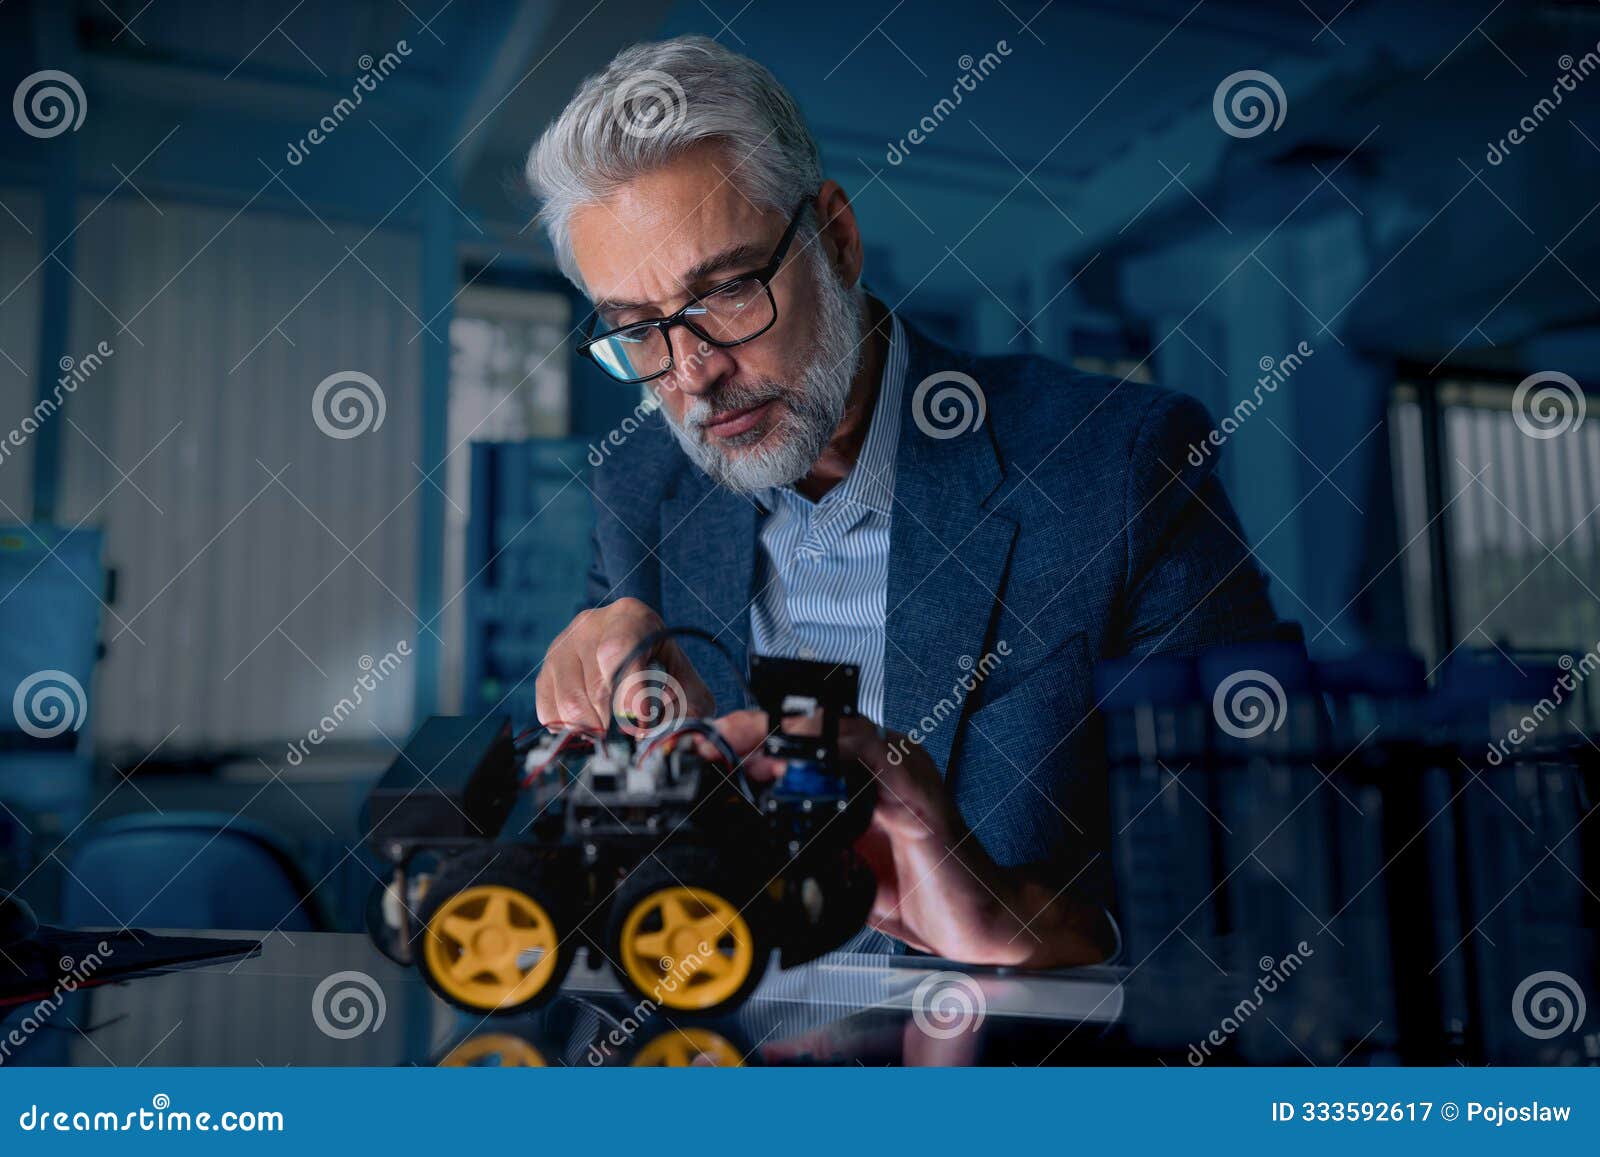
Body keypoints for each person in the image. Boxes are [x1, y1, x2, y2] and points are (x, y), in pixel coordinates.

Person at [524, 36, 1287, 967]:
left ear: (836, 240)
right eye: (640, 330)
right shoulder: (640, 486)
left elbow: (1277, 873)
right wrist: (578, 700)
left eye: (726, 292)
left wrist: (1030, 921)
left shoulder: (1120, 468)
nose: (693, 374)